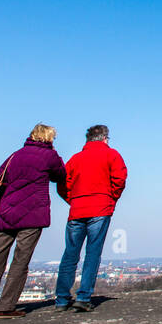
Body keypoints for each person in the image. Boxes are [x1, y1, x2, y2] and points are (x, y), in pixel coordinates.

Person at [0, 124, 67, 319]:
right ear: (49, 138)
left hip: (6, 213)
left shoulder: (14, 156)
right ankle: (5, 306)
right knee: (20, 261)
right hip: (32, 215)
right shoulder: (49, 156)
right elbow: (60, 176)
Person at [55, 124, 127, 312]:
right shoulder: (112, 155)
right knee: (92, 253)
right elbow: (119, 179)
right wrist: (110, 198)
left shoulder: (75, 159)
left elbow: (62, 183)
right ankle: (83, 296)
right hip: (100, 209)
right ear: (105, 138)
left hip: (77, 210)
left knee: (70, 254)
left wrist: (73, 199)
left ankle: (61, 300)